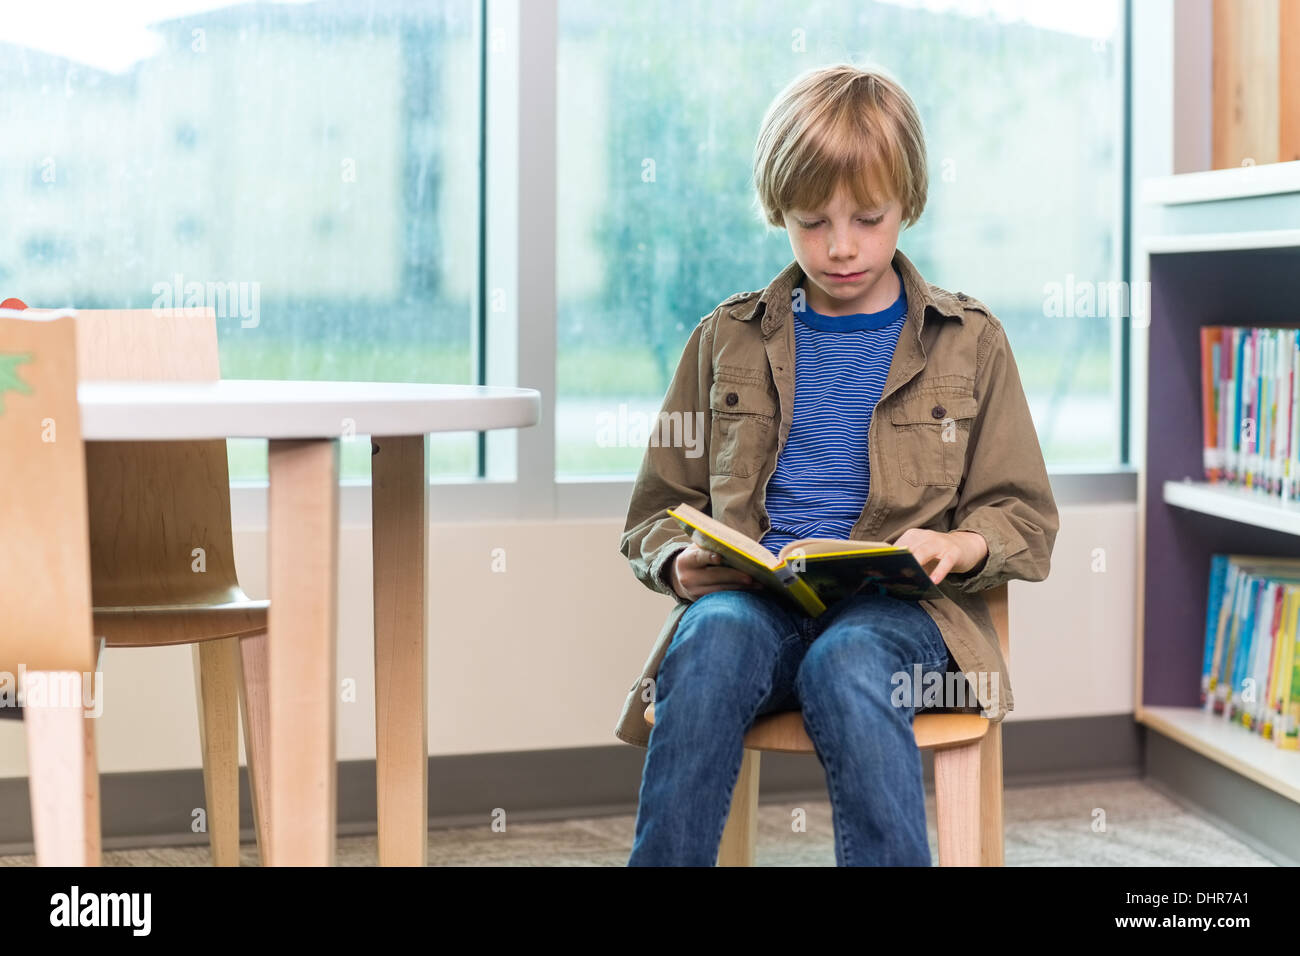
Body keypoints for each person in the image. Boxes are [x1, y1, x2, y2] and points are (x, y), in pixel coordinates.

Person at [616, 63, 1059, 866]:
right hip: (758, 604)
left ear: (910, 204)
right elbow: (657, 508)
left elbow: (1022, 512)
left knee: (848, 659)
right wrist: (679, 566)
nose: (842, 245)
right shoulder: (725, 339)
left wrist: (958, 546)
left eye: (868, 217)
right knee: (710, 640)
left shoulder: (972, 342)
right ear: (778, 210)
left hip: (902, 621)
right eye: (812, 221)